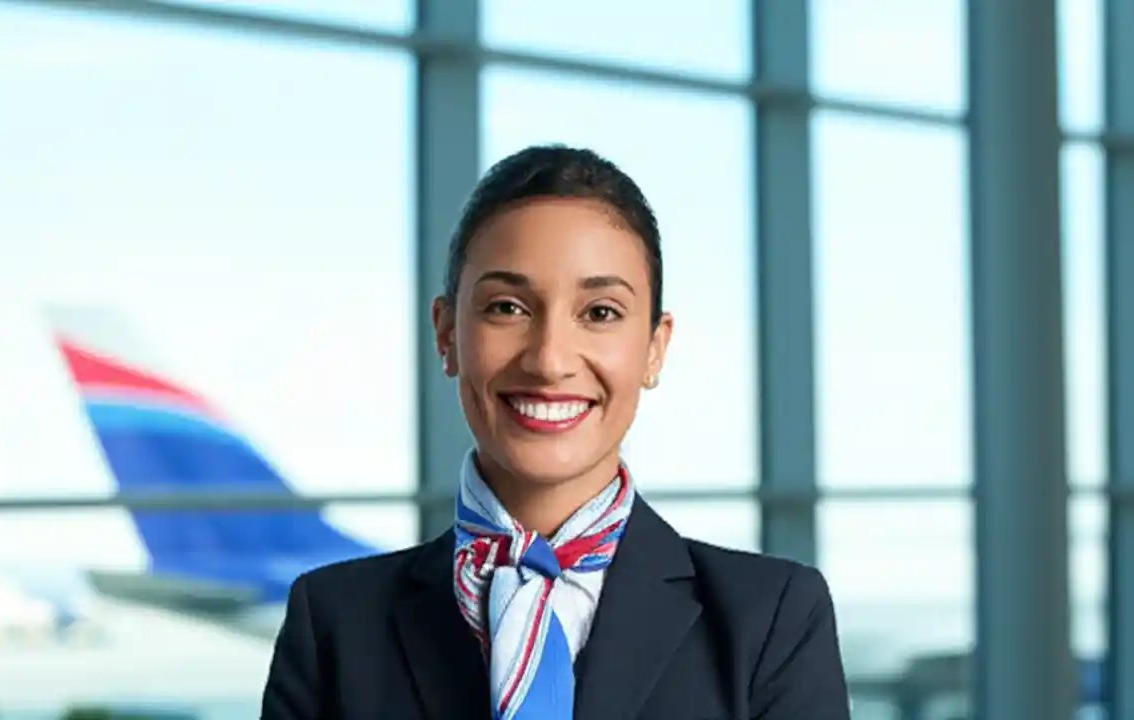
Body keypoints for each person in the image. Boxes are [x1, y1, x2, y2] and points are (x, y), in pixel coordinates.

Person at [260, 145, 850, 719]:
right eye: (507, 308)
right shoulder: (334, 624)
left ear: (654, 347)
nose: (548, 359)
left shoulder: (770, 621)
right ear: (446, 334)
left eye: (600, 313)